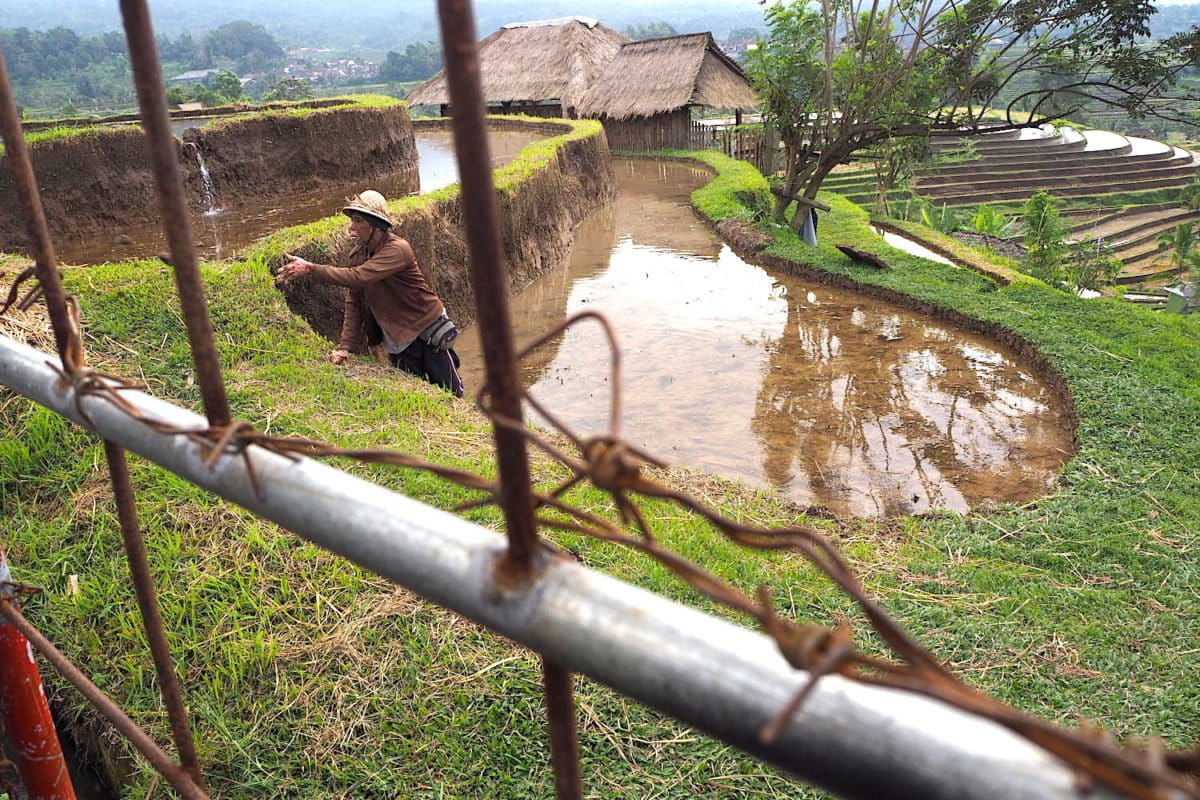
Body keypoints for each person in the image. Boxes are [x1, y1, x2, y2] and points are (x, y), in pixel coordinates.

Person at [275, 190, 464, 397]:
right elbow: (354, 301)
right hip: (398, 339)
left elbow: (360, 277)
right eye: (351, 221)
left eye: (358, 221)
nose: (351, 227)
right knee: (417, 392)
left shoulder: (397, 250)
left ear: (376, 225)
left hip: (425, 329)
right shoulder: (358, 255)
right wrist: (345, 346)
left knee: (451, 391)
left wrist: (312, 269)